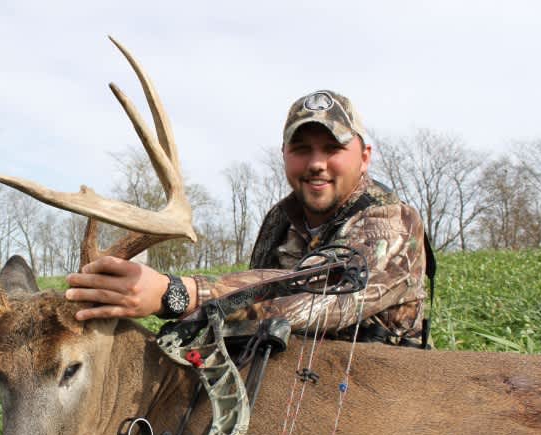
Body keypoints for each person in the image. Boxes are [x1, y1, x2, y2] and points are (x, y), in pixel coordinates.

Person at [65, 90, 428, 347]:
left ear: (364, 156)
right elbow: (249, 313)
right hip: (287, 386)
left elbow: (315, 292)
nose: (317, 163)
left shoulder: (394, 223)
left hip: (382, 403)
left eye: (333, 149)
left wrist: (176, 293)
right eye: (302, 149)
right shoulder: (280, 220)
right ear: (284, 154)